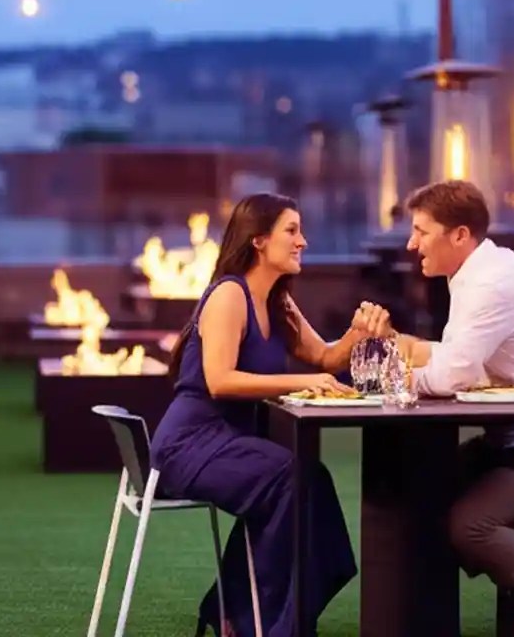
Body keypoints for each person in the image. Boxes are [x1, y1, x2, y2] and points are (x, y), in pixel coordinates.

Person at [354, 180, 514, 637]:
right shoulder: (482, 272)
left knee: (467, 526)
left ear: (459, 235)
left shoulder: (491, 283)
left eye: (421, 231)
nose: (412, 243)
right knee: (420, 490)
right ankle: (431, 618)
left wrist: (386, 379)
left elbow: (449, 377)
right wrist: (405, 349)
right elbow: (460, 363)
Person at [150, 192, 373, 637]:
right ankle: (259, 620)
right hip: (190, 445)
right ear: (258, 240)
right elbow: (220, 380)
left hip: (231, 444)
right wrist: (299, 383)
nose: (303, 241)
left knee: (311, 479)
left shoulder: (279, 301)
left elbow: (326, 357)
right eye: (292, 231)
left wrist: (359, 330)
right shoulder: (230, 295)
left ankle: (239, 611)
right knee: (290, 478)